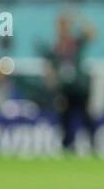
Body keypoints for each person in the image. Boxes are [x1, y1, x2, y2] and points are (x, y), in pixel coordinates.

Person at [41, 13, 96, 153]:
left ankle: (94, 146)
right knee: (64, 121)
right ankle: (67, 148)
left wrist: (79, 18)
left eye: (64, 26)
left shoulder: (75, 44)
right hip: (64, 91)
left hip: (80, 89)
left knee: (86, 119)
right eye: (60, 27)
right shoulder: (55, 48)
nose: (62, 30)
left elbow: (92, 33)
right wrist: (53, 89)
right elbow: (50, 70)